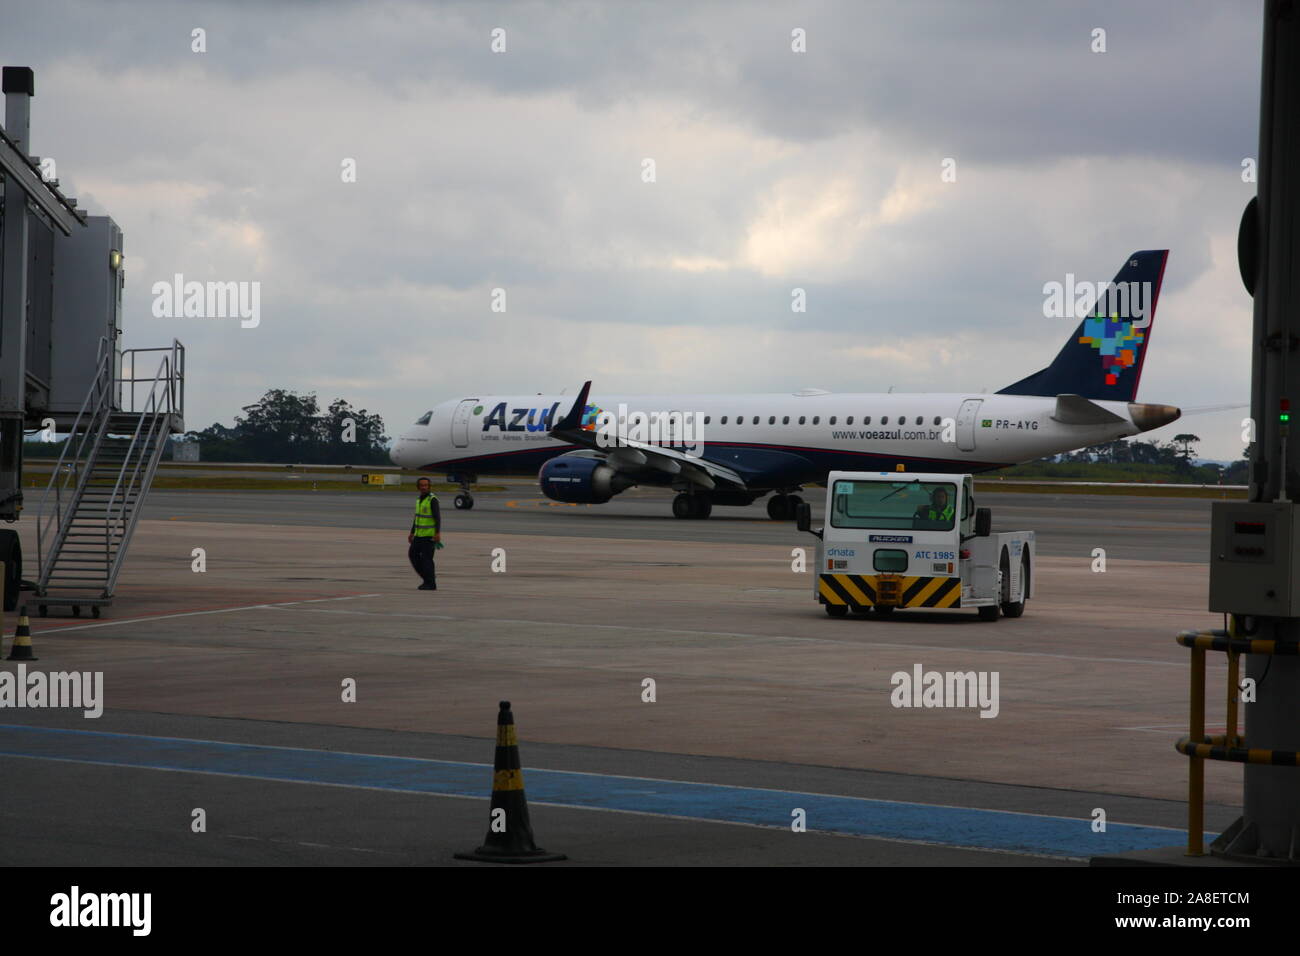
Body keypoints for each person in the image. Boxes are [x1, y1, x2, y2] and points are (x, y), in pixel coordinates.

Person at [408, 477, 441, 590]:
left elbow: (437, 517)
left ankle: (431, 583)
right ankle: (428, 579)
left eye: (426, 485)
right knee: (412, 555)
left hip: (429, 536)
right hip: (418, 535)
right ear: (418, 487)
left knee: (427, 559)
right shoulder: (419, 500)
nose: (424, 487)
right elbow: (417, 517)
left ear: (429, 486)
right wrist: (412, 532)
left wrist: (437, 533)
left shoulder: (432, 499)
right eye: (422, 485)